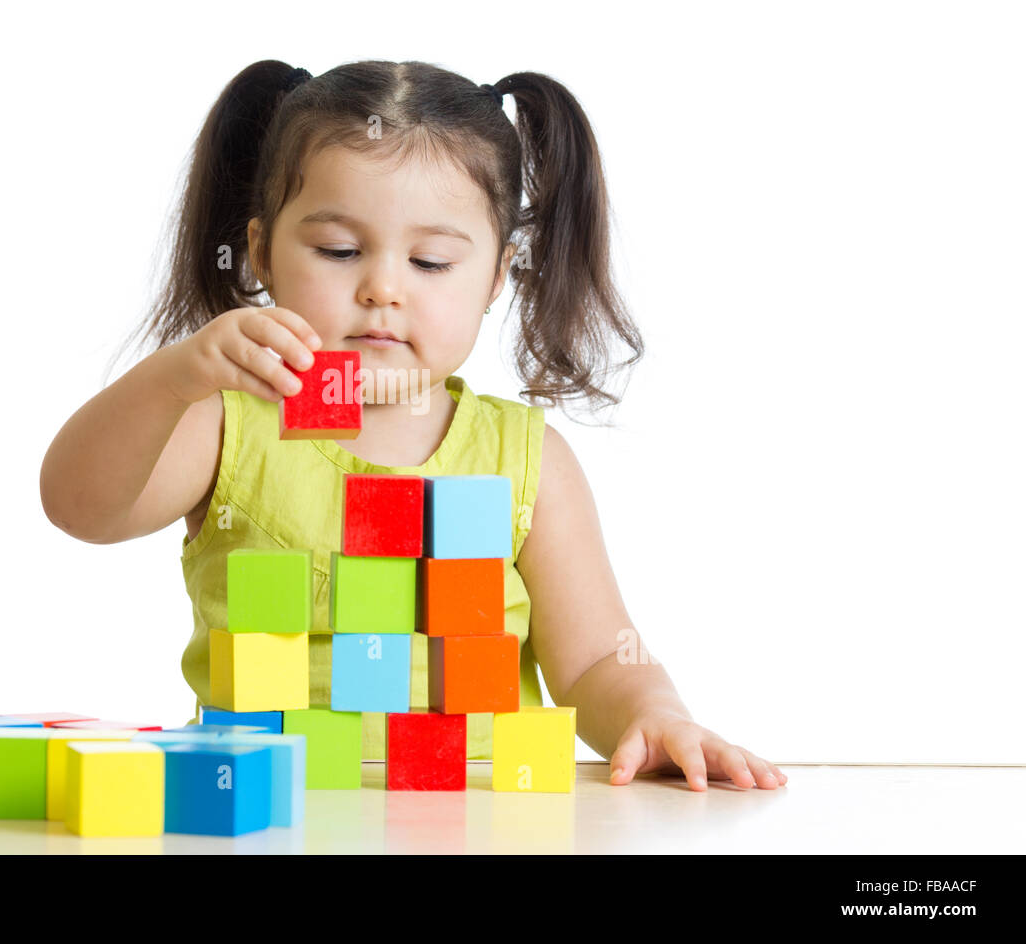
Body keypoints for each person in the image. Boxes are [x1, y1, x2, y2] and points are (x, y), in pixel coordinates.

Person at [41, 59, 786, 791]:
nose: (383, 289)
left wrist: (655, 712)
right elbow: (80, 507)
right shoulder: (226, 423)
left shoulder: (525, 459)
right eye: (339, 251)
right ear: (262, 251)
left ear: (496, 277)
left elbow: (594, 657)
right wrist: (176, 376)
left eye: (431, 262)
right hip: (268, 818)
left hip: (480, 823)